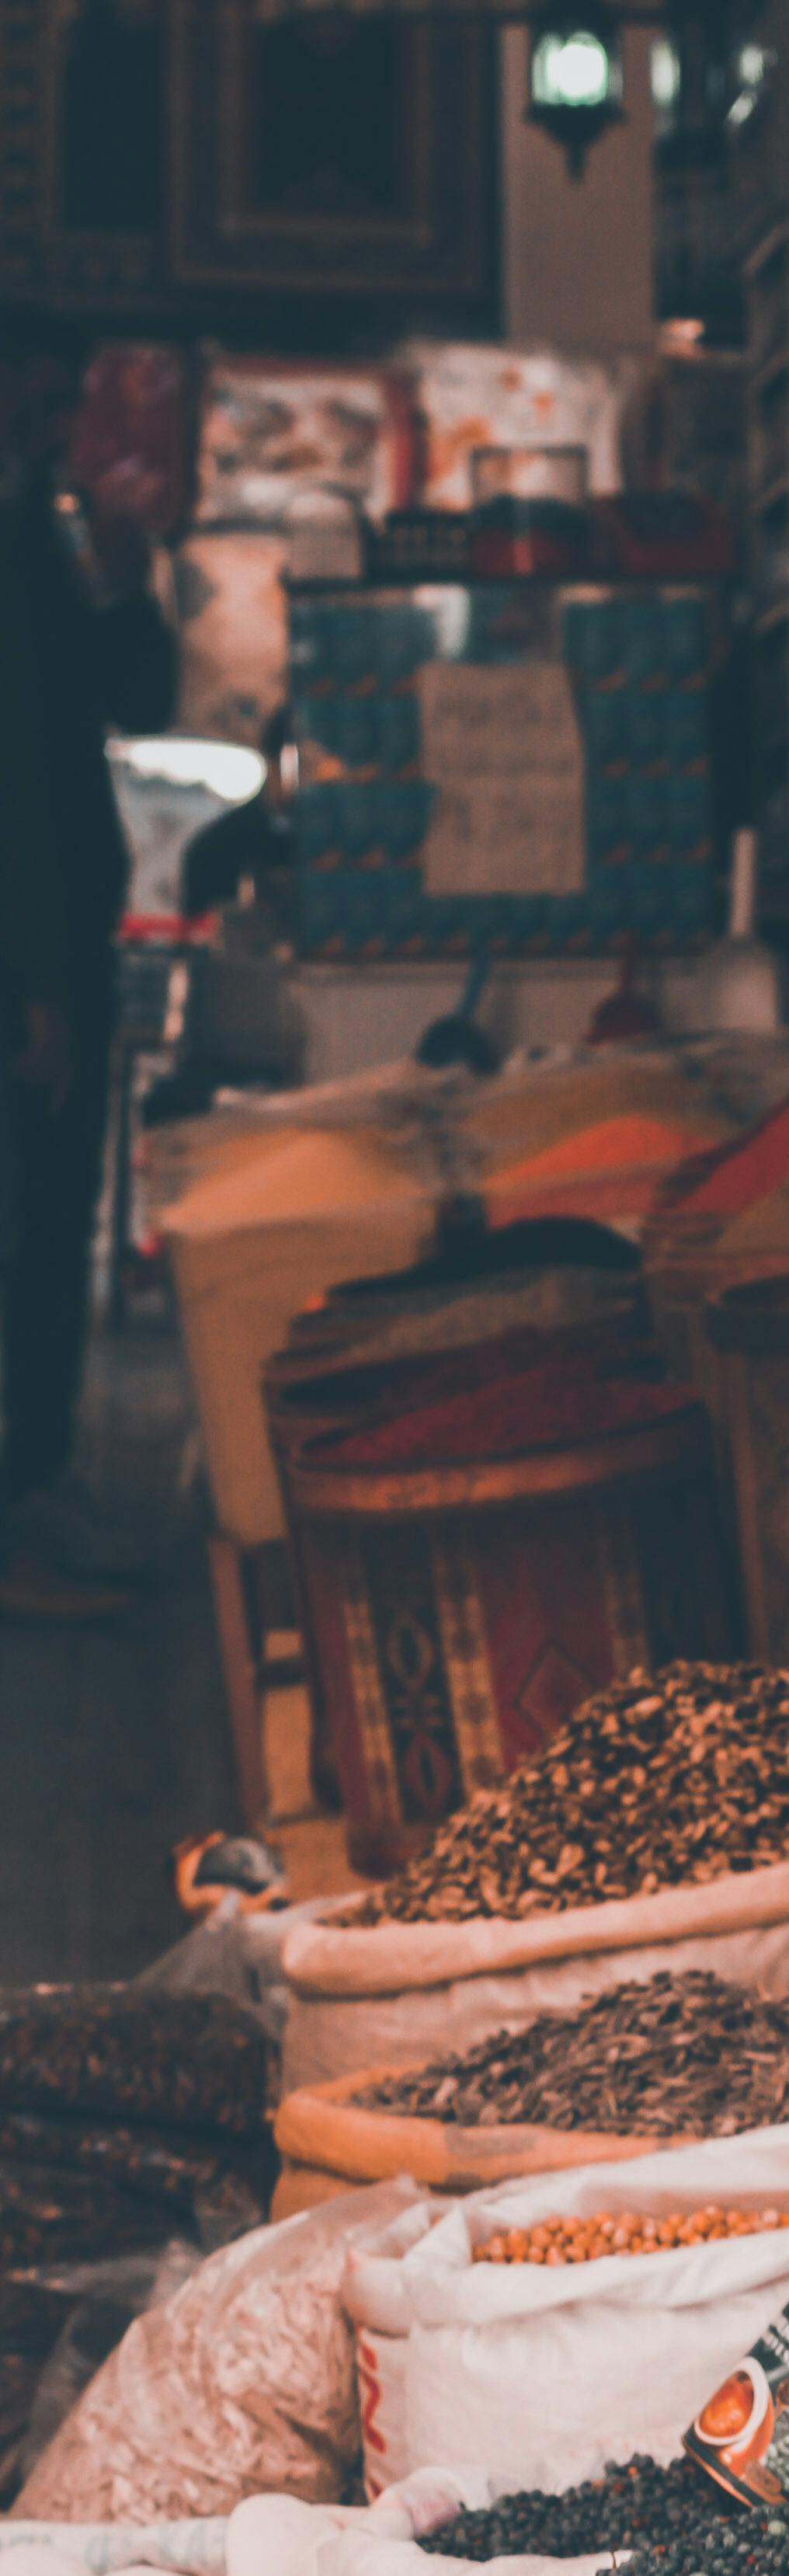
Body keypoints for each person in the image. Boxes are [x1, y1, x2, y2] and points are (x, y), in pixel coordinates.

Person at [0, 308, 174, 1610]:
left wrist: (124, 570)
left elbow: (137, 705)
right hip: (28, 957)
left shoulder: (42, 541)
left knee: (54, 1225)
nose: (55, 426)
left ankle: (37, 1484)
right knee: (25, 1231)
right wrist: (37, 984)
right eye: (40, 398)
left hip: (59, 939)